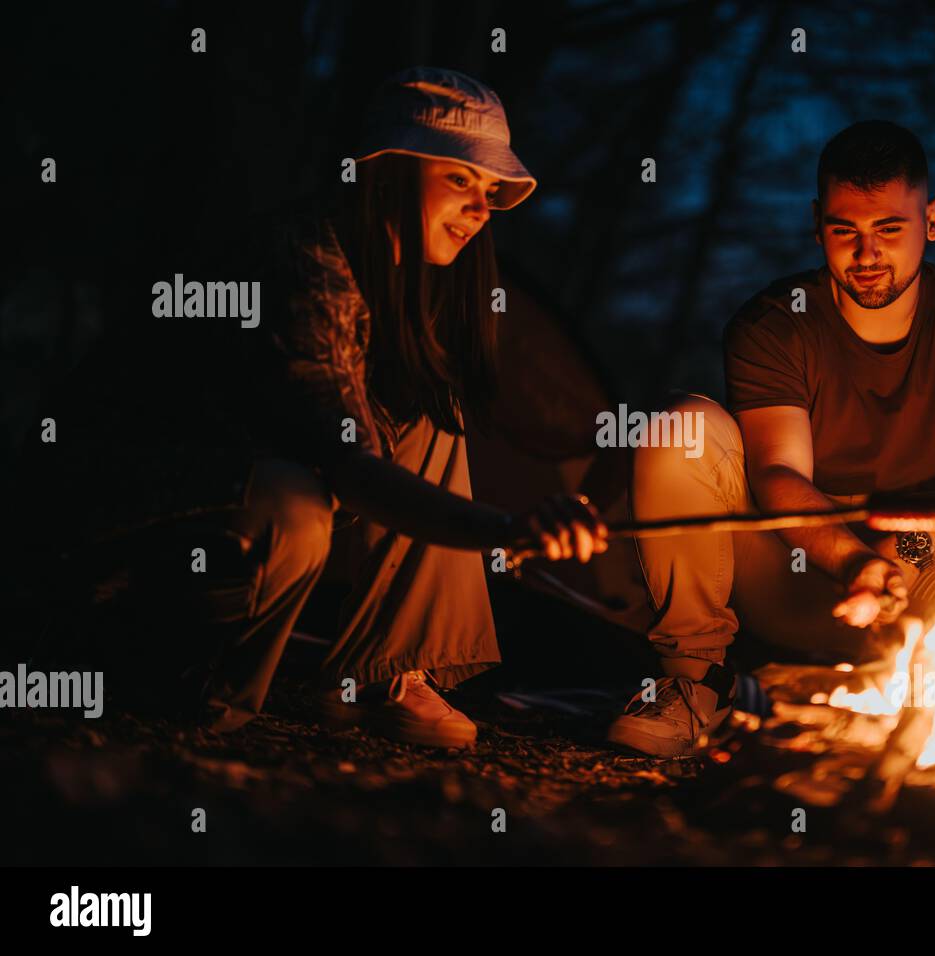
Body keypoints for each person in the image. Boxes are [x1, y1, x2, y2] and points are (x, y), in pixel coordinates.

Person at [18, 67, 607, 748]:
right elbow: (347, 463)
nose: (482, 207)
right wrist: (503, 529)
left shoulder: (397, 280)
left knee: (428, 418)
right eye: (459, 179)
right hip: (118, 519)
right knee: (293, 504)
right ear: (387, 169)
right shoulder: (302, 254)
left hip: (223, 494)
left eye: (490, 188)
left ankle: (383, 672)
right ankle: (178, 691)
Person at [608, 120, 935, 757]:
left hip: (933, 578)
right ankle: (693, 681)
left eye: (889, 230)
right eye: (845, 230)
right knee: (682, 427)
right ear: (818, 223)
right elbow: (777, 472)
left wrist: (906, 551)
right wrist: (857, 561)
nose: (866, 254)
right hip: (797, 573)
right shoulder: (776, 325)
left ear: (931, 220)